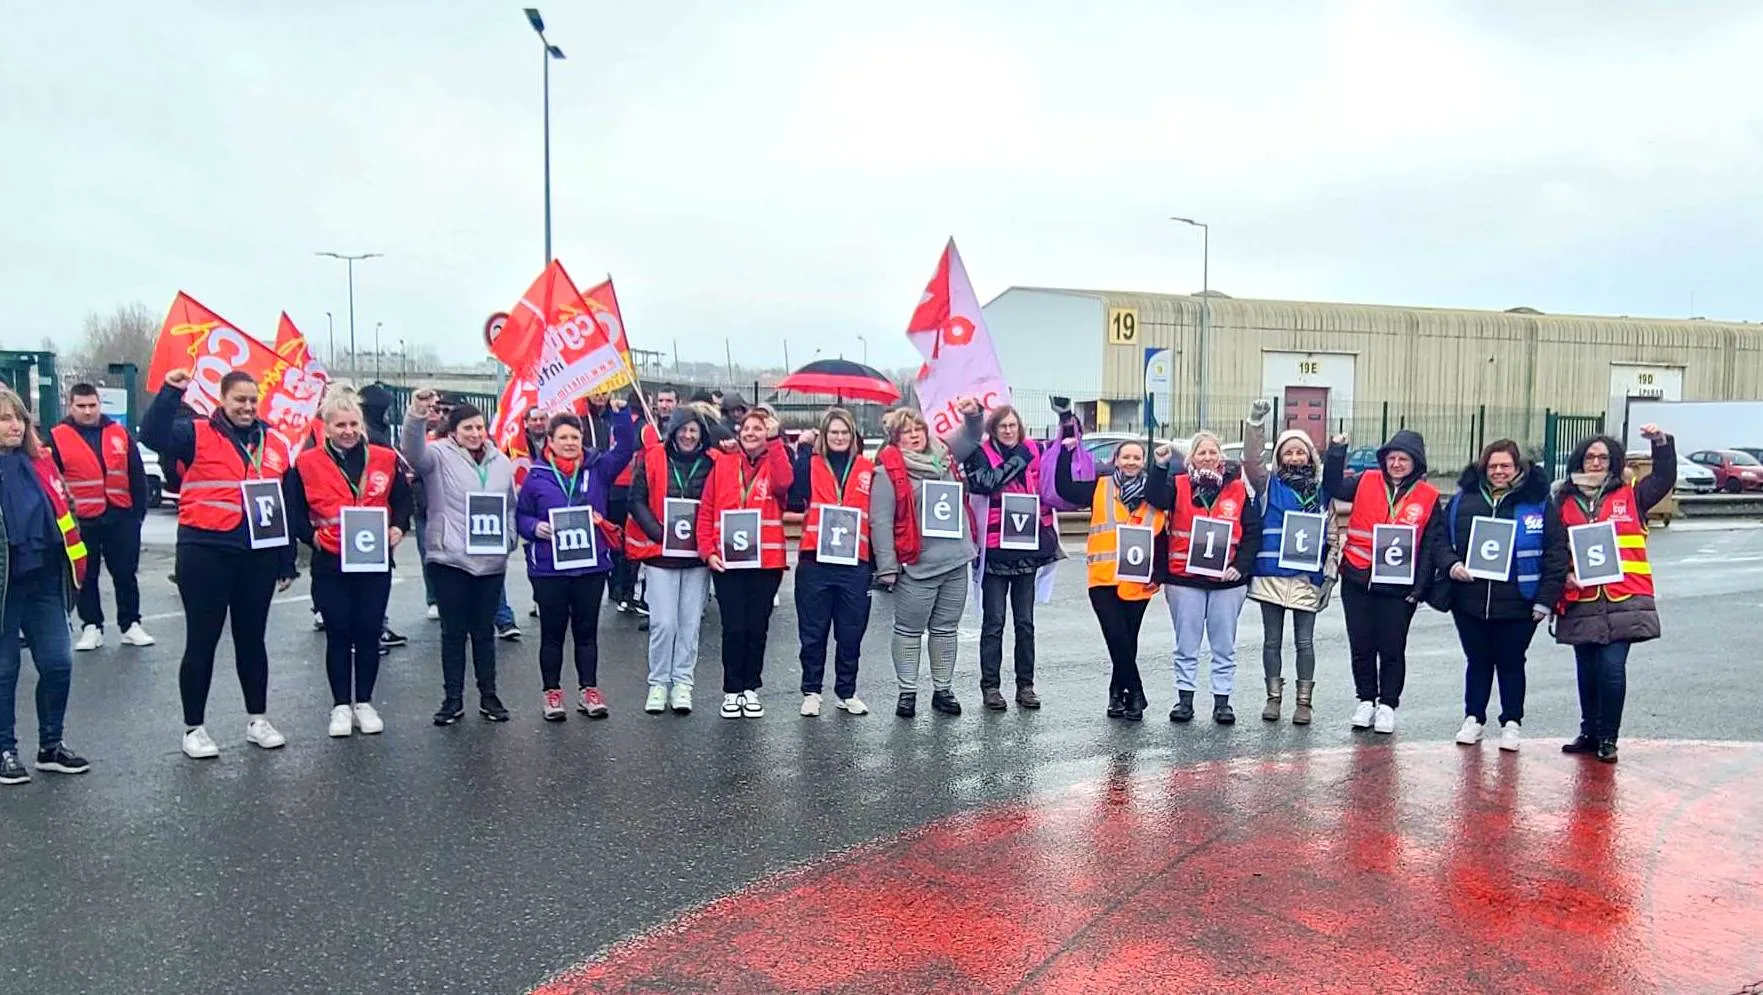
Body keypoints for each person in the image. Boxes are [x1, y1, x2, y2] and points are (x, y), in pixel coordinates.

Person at [141, 369, 298, 759]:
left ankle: (257, 719)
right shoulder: (195, 432)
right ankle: (194, 727)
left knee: (252, 640)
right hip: (206, 550)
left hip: (257, 555)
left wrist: (286, 560)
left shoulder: (274, 441)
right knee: (202, 640)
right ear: (223, 400)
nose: (246, 407)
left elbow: (285, 504)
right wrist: (170, 390)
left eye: (252, 400)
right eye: (239, 400)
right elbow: (151, 435)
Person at [284, 386, 413, 738]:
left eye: (353, 424)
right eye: (340, 424)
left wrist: (399, 527)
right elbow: (294, 511)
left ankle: (366, 703)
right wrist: (310, 539)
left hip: (373, 561)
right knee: (339, 632)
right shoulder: (306, 463)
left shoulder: (385, 458)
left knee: (369, 631)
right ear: (326, 427)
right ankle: (341, 705)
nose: (348, 431)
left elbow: (404, 499)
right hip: (331, 561)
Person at [1435, 439, 1569, 752]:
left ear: (1518, 468)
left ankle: (1512, 722)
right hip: (1469, 599)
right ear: (1484, 467)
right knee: (1477, 662)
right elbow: (1440, 540)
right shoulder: (1462, 501)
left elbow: (1555, 552)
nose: (1498, 472)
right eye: (1493, 466)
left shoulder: (1538, 503)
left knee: (1511, 663)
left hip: (1520, 601)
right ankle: (1473, 718)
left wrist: (1545, 599)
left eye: (1505, 466)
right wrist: (1451, 565)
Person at [1552, 426, 1674, 764]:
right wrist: (1565, 575)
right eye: (1589, 457)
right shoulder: (1563, 499)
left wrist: (1660, 444)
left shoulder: (1632, 494)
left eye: (1603, 457)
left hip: (1625, 598)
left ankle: (1608, 737)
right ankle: (1589, 730)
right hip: (1581, 598)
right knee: (1586, 670)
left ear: (1613, 462)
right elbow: (1555, 546)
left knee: (1611, 669)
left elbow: (1664, 477)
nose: (1595, 462)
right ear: (1580, 460)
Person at [402, 391, 517, 725]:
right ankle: (452, 699)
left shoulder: (501, 461)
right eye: (468, 428)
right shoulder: (437, 456)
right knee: (453, 633)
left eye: (480, 427)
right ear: (453, 430)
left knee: (484, 633)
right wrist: (417, 412)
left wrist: (509, 539)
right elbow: (411, 451)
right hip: (451, 558)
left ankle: (489, 696)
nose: (475, 433)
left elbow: (509, 505)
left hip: (490, 561)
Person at [1322, 429, 1445, 735]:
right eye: (1392, 458)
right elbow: (1332, 485)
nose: (1396, 464)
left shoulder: (1429, 497)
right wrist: (1337, 452)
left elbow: (1430, 545)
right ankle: (1365, 700)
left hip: (1398, 585)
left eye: (1403, 459)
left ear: (1416, 463)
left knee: (1392, 647)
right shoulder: (1365, 480)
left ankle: (1388, 704)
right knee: (1361, 643)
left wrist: (1419, 589)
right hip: (1358, 577)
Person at [516, 411, 636, 721]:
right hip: (549, 568)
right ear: (551, 442)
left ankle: (589, 691)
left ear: (582, 439)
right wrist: (534, 528)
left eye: (575, 437)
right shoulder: (537, 475)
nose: (570, 443)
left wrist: (619, 415)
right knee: (552, 633)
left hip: (590, 566)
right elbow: (521, 516)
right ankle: (552, 693)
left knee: (586, 632)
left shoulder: (597, 469)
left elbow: (625, 447)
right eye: (563, 438)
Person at [0, 387, 92, 785]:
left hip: (44, 578)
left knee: (58, 662)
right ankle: (5, 749)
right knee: (4, 670)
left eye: (19, 417)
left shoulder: (41, 463)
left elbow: (64, 516)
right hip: (5, 586)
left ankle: (50, 746)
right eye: (5, 418)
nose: (15, 425)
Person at [1149, 430, 1261, 723]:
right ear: (1192, 458)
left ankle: (1222, 701)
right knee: (1186, 644)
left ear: (1221, 457)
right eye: (1202, 453)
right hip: (1184, 579)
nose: (1208, 458)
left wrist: (1240, 566)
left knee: (1224, 644)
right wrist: (1159, 466)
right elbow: (1155, 500)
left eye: (1213, 452)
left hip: (1227, 581)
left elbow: (1252, 533)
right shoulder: (1178, 484)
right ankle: (1184, 699)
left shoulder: (1238, 489)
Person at [871, 407, 977, 719]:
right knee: (908, 630)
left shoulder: (944, 458)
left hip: (956, 560)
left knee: (945, 630)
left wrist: (973, 413)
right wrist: (888, 567)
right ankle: (907, 692)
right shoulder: (886, 472)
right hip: (917, 565)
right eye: (907, 431)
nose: (915, 435)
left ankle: (943, 689)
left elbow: (972, 433)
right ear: (895, 438)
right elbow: (880, 521)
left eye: (918, 429)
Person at [1053, 433, 1164, 720]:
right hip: (1103, 577)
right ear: (1115, 460)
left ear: (1143, 462)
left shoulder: (1154, 492)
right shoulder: (1100, 486)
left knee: (1127, 640)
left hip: (1139, 579)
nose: (1131, 462)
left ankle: (1118, 694)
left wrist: (1159, 574)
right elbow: (1065, 489)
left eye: (1136, 458)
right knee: (1115, 635)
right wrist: (1066, 454)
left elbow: (1163, 535)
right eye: (1125, 457)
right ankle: (1137, 693)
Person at [958, 400, 1056, 711]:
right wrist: (1019, 459)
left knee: (1025, 623)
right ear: (993, 429)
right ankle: (990, 687)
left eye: (1013, 425)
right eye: (1003, 426)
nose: (1009, 430)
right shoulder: (979, 454)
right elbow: (985, 483)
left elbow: (1051, 480)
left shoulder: (1033, 450)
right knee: (994, 621)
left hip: (1025, 547)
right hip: (994, 549)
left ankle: (1025, 685)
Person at [696, 406, 792, 718]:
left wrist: (776, 442)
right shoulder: (723, 465)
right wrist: (707, 550)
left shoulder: (776, 460)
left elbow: (783, 484)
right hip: (729, 561)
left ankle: (751, 687)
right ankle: (732, 689)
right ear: (739, 432)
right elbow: (707, 508)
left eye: (759, 429)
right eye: (747, 428)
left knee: (757, 627)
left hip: (766, 563)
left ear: (768, 434)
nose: (751, 433)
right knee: (733, 627)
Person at [1241, 401, 1330, 725]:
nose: (1294, 457)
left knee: (1305, 642)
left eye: (1300, 452)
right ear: (1279, 458)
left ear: (1310, 457)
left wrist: (1329, 579)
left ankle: (1304, 702)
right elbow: (1252, 461)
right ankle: (1273, 698)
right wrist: (1255, 423)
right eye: (1288, 453)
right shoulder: (1268, 486)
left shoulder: (1321, 492)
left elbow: (1332, 535)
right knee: (1272, 642)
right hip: (1271, 576)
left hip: (1307, 577)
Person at [627, 403, 719, 715]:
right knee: (663, 622)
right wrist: (657, 533)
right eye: (684, 429)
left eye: (694, 430)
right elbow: (635, 499)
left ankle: (683, 682)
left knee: (689, 624)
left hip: (696, 556)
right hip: (661, 555)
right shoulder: (653, 457)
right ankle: (658, 682)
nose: (689, 435)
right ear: (673, 431)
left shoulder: (713, 462)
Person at [48, 382, 154, 650]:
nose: (87, 411)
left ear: (99, 405)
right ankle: (91, 626)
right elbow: (52, 482)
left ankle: (130, 624)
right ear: (70, 406)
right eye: (81, 406)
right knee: (86, 574)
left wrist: (137, 515)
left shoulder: (119, 433)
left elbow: (136, 474)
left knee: (126, 572)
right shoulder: (57, 437)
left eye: (92, 405)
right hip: (82, 520)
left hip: (121, 515)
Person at [786, 407, 876, 717]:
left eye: (844, 432)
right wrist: (802, 450)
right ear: (824, 436)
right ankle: (811, 690)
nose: (839, 437)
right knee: (813, 631)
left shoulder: (867, 468)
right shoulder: (810, 465)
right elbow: (794, 495)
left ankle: (846, 691)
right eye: (833, 432)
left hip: (855, 563)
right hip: (816, 561)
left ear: (853, 436)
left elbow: (876, 515)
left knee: (850, 631)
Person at [609, 388, 670, 616]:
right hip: (641, 488)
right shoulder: (648, 428)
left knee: (625, 543)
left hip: (619, 486)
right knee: (641, 546)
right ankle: (635, 596)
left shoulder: (623, 424)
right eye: (657, 400)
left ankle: (623, 593)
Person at [357, 382, 408, 650]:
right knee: (364, 582)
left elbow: (398, 488)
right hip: (361, 518)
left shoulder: (379, 433)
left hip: (379, 518)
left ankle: (376, 626)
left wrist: (399, 523)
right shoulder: (370, 435)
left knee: (376, 578)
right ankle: (368, 632)